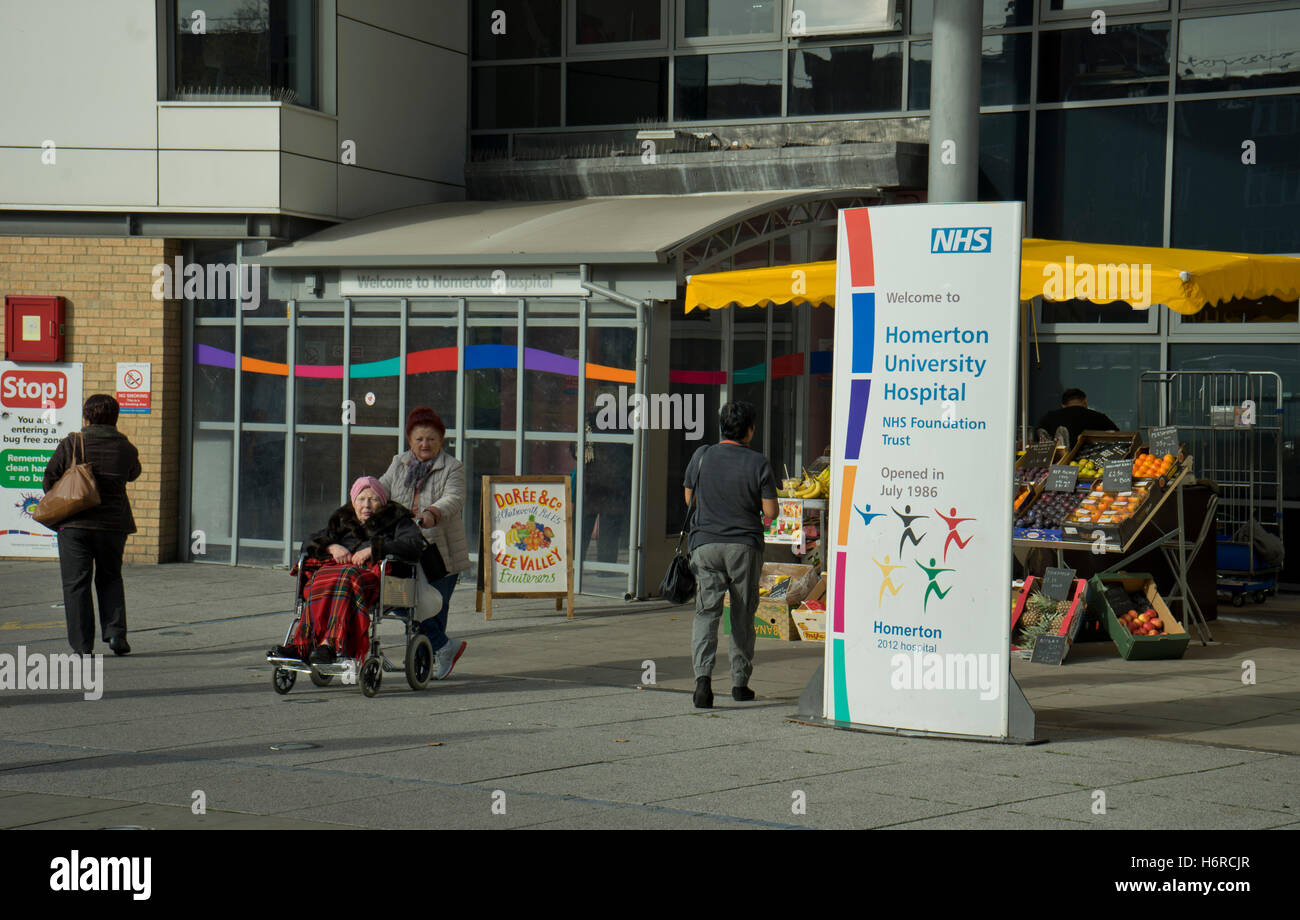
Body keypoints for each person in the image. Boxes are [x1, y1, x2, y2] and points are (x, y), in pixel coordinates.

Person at [683, 401, 779, 709]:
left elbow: (689, 498)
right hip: (743, 547)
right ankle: (740, 684)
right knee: (741, 614)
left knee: (706, 613)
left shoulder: (702, 455)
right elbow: (770, 511)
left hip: (705, 545)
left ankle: (703, 682)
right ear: (750, 430)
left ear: (722, 427)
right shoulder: (758, 462)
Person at [273, 477, 423, 664]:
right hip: (341, 576)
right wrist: (331, 547)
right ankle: (302, 644)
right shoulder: (343, 520)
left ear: (383, 501)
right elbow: (309, 542)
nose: (366, 505)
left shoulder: (398, 520)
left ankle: (329, 643)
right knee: (322, 577)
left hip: (376, 578)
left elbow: (413, 545)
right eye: (361, 499)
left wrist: (374, 549)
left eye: (373, 499)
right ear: (353, 501)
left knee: (346, 576)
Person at [43, 394, 142, 656]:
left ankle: (82, 645)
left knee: (76, 584)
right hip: (113, 525)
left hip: (75, 524)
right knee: (111, 578)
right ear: (115, 418)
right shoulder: (126, 447)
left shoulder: (72, 443)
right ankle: (116, 634)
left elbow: (50, 477)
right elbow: (133, 474)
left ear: (87, 416)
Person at [380, 407, 471, 680]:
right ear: (410, 440)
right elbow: (381, 489)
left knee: (435, 608)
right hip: (404, 548)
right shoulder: (399, 463)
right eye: (419, 439)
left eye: (431, 439)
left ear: (441, 440)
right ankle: (444, 648)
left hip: (439, 552)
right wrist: (365, 497)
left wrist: (432, 512)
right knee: (399, 601)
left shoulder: (452, 467)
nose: (424, 444)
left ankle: (426, 662)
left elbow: (454, 498)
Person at [1036, 388, 1119, 447]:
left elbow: (1038, 442)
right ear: (1085, 402)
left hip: (1058, 463)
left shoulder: (1049, 418)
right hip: (1089, 463)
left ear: (1063, 405)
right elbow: (1118, 438)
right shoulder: (1099, 417)